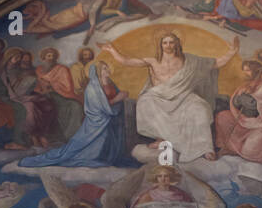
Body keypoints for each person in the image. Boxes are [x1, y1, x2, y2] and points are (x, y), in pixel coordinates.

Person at [100, 31, 239, 162]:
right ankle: (161, 138)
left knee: (200, 108)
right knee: (145, 100)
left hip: (183, 96)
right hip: (159, 97)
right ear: (161, 45)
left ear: (177, 44)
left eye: (171, 42)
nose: (168, 45)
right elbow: (127, 61)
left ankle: (205, 148)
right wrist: (113, 50)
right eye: (165, 42)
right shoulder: (153, 61)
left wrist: (231, 52)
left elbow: (215, 63)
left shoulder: (189, 61)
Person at [19, 62, 128, 168]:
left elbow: (116, 104)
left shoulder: (112, 84)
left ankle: (107, 156)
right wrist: (117, 99)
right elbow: (98, 107)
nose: (108, 70)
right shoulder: (93, 87)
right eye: (104, 68)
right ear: (99, 71)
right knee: (88, 147)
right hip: (97, 123)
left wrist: (118, 100)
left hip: (111, 119)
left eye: (107, 68)